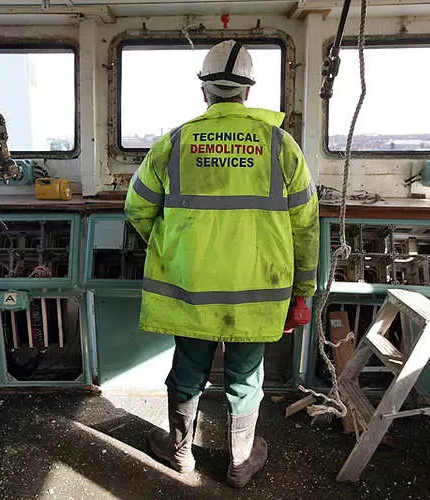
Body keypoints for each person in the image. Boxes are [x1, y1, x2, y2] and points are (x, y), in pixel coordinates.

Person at [125, 39, 319, 488]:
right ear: (248, 91)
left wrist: (175, 251)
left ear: (204, 92)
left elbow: (137, 210)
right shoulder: (281, 146)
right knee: (246, 377)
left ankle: (179, 455)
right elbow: (306, 226)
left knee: (188, 370)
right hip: (258, 294)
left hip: (190, 291)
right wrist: (303, 290)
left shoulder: (174, 142)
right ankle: (240, 463)